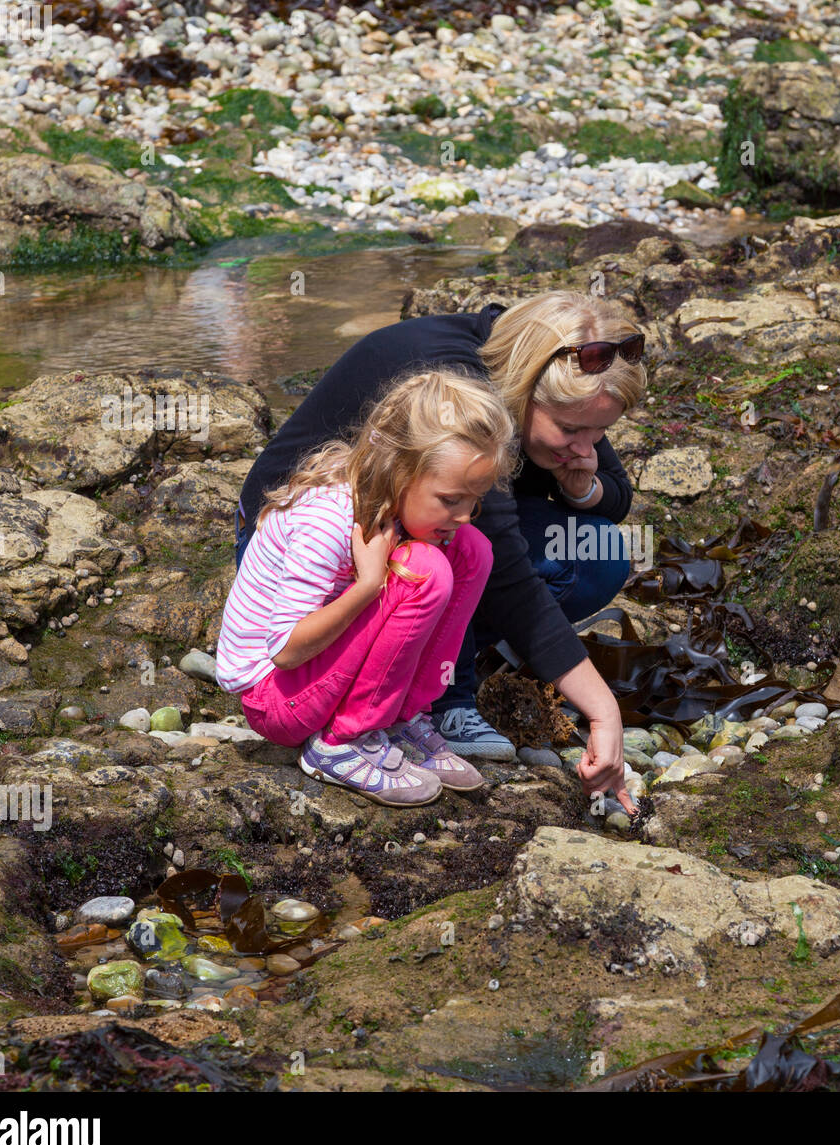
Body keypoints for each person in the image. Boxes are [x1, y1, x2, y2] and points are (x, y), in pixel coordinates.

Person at [235, 292, 645, 813]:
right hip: (309, 545)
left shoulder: (557, 370)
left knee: (597, 550)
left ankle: (428, 669)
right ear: (523, 389)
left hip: (424, 521)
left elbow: (614, 493)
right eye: (570, 430)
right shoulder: (459, 388)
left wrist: (579, 479)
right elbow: (511, 580)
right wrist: (602, 710)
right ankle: (431, 700)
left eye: (601, 431)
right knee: (453, 554)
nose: (588, 445)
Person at [216, 370, 517, 808]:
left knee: (473, 550)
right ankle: (341, 742)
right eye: (450, 500)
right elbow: (285, 650)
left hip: (319, 677)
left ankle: (398, 717)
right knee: (425, 570)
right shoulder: (329, 520)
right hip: (275, 697)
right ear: (398, 467)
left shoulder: (400, 505)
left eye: (475, 500)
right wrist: (369, 585)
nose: (465, 514)